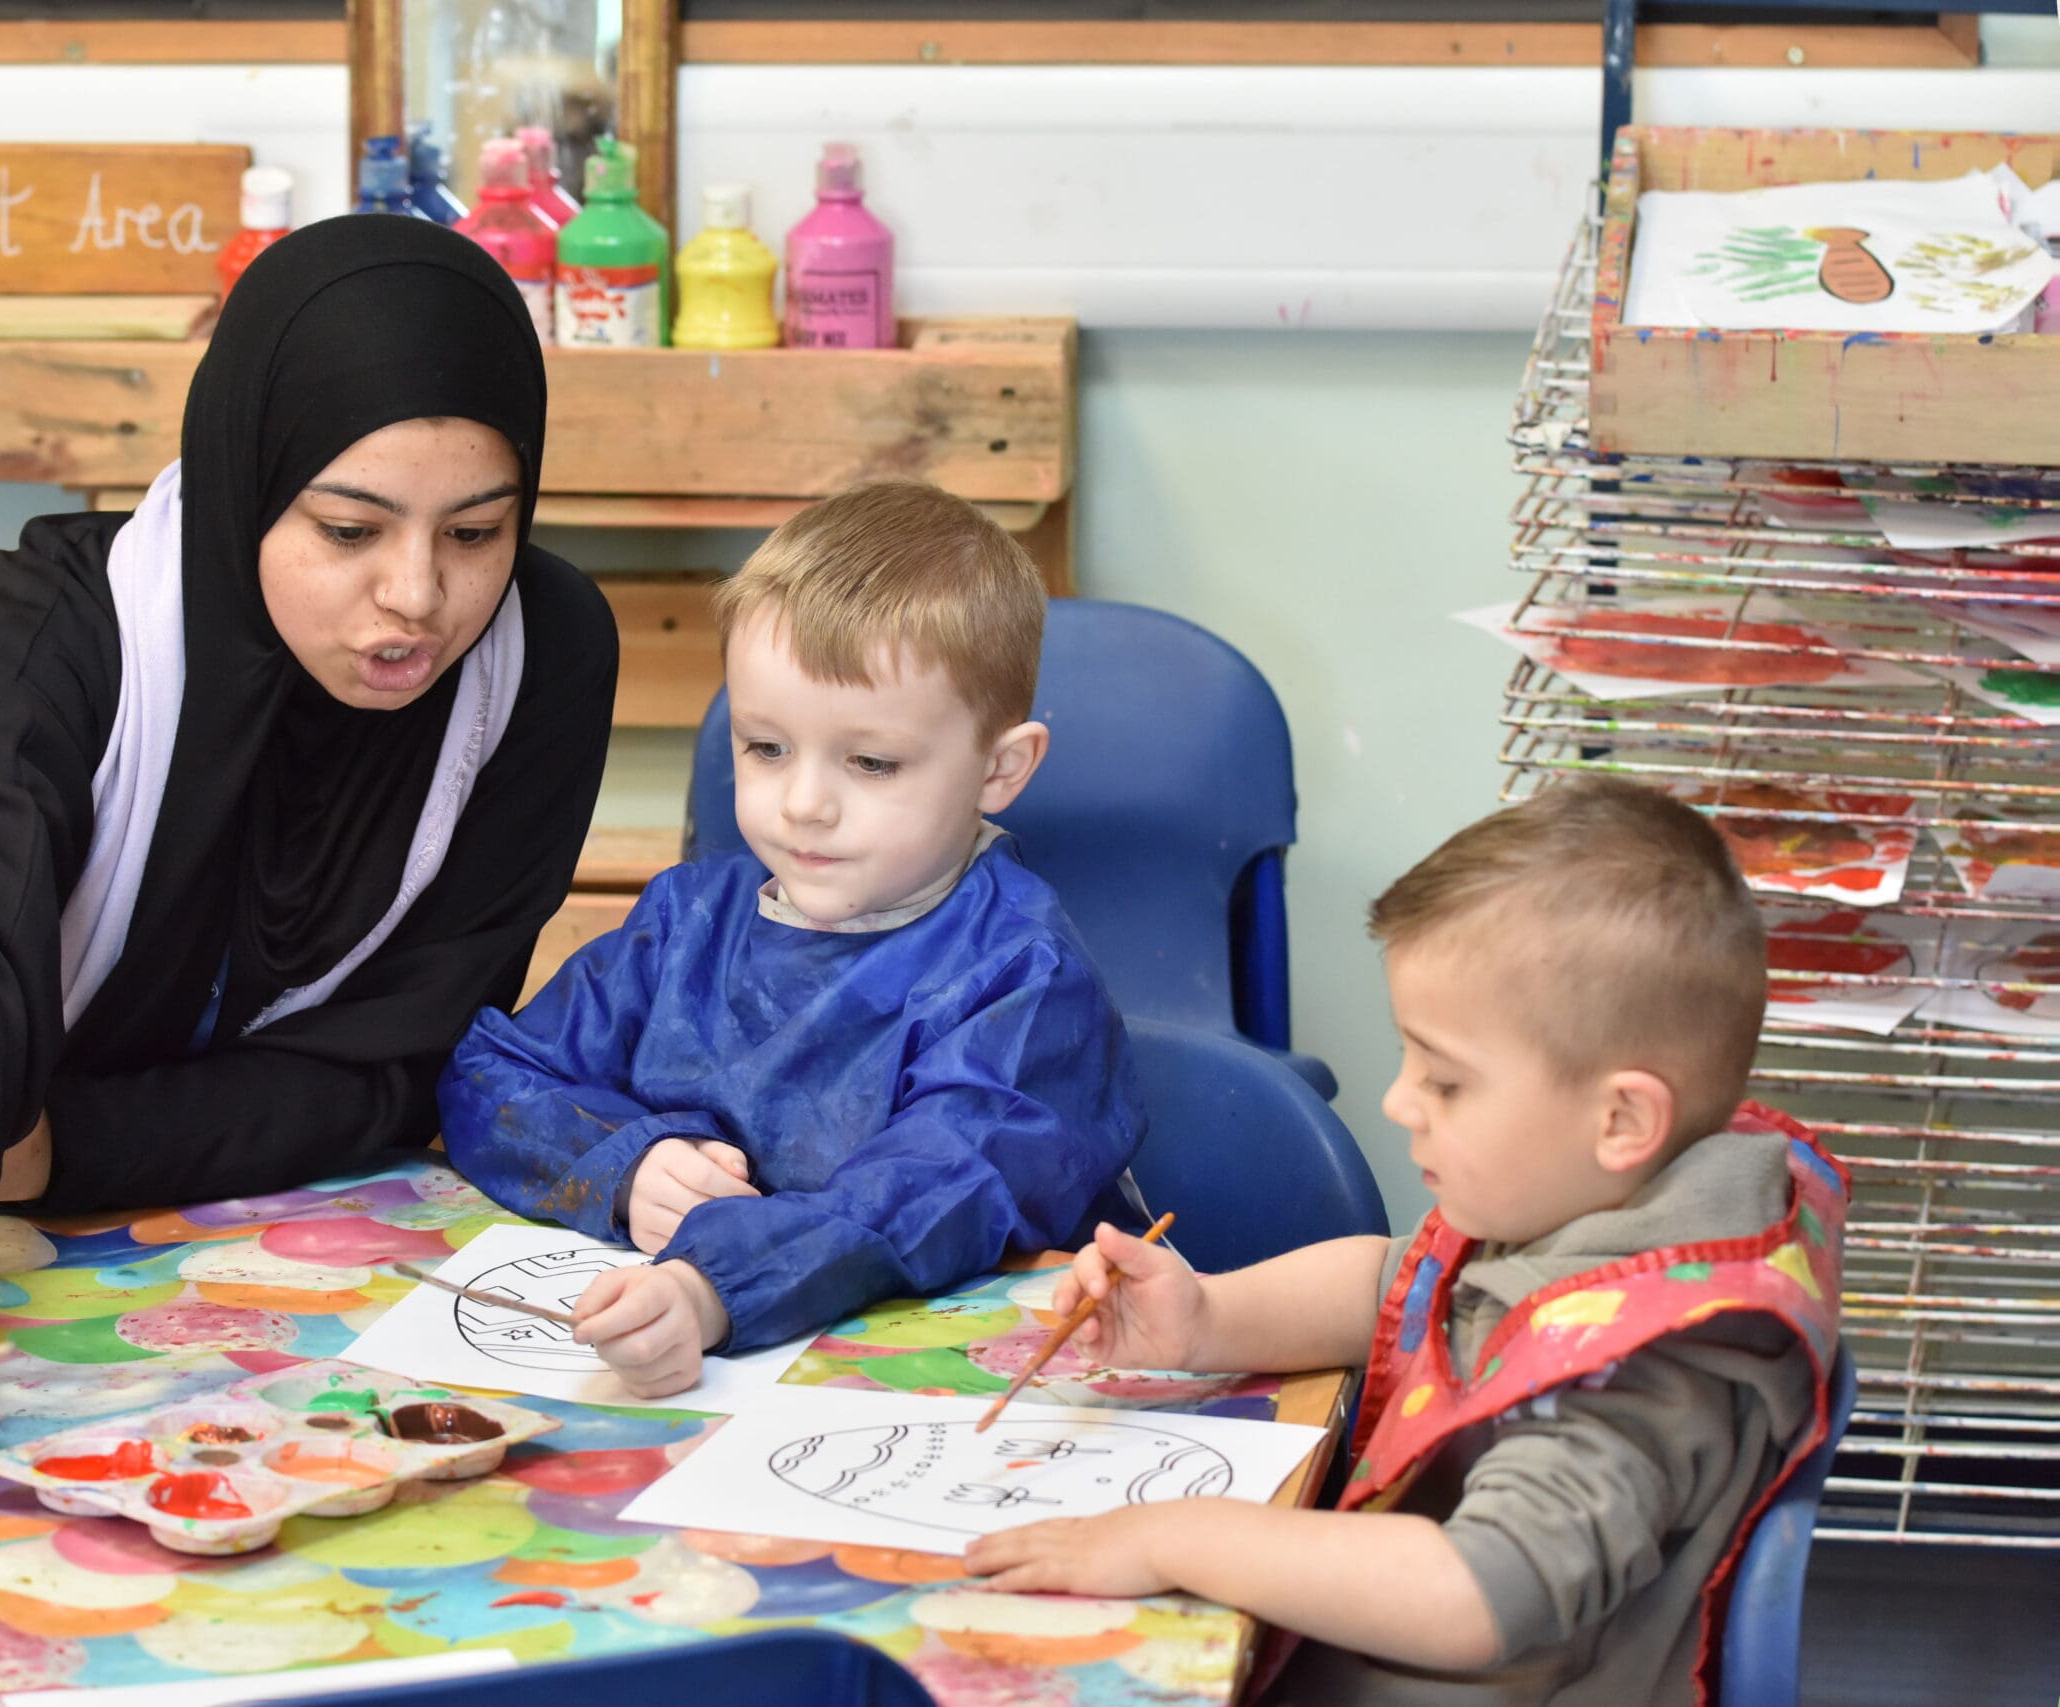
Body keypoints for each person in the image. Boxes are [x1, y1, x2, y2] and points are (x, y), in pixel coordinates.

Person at [0, 216, 618, 1479]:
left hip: (137, 1196)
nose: (416, 597)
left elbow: (395, 1062)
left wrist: (54, 1150)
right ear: (249, 478)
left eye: (475, 534)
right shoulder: (61, 622)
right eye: (348, 530)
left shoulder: (539, 659)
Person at [964, 778, 1846, 1707]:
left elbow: (1479, 1591)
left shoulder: (1644, 1362)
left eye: (1446, 1081)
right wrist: (1206, 1317)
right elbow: (1402, 1281)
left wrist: (1175, 1537)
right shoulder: (1583, 1210)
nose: (1398, 1101)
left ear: (1622, 1119)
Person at [439, 480, 1146, 1398]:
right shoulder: (686, 923)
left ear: (1000, 768)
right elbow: (488, 1077)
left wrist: (711, 1284)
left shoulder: (1023, 979)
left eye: (872, 761)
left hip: (945, 1399)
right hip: (717, 1385)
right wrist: (629, 1162)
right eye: (766, 747)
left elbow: (918, 1197)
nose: (804, 802)